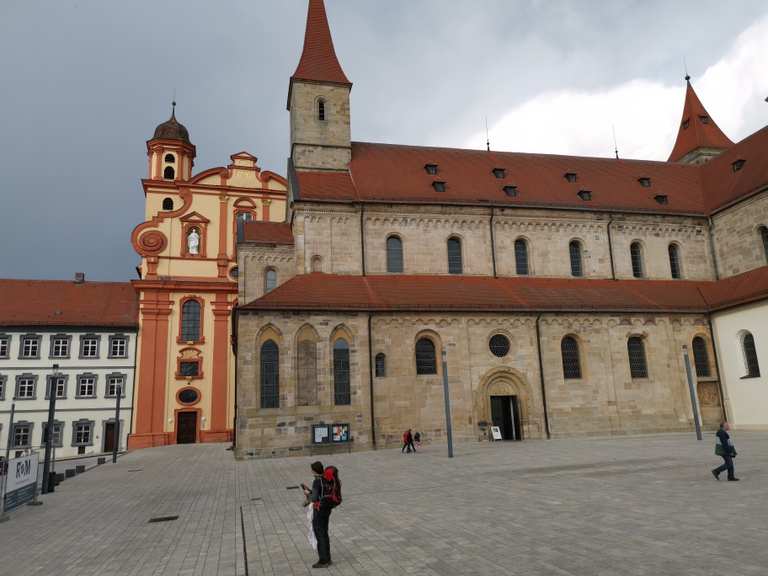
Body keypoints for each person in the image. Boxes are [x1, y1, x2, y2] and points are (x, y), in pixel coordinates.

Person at [302, 461, 334, 568]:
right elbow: (321, 494)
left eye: (312, 469)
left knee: (320, 534)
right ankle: (327, 558)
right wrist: (312, 492)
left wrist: (307, 494)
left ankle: (324, 560)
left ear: (314, 471)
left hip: (319, 510)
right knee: (324, 533)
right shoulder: (326, 478)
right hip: (327, 509)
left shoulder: (317, 481)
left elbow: (314, 498)